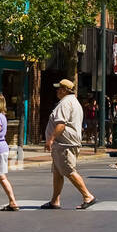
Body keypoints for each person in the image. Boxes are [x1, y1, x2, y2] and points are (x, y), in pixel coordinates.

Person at [42, 78, 95, 209]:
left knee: (69, 171)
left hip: (64, 144)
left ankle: (88, 196)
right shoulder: (73, 102)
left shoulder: (65, 103)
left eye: (59, 88)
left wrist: (51, 139)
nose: (57, 91)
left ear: (64, 90)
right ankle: (55, 200)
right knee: (58, 173)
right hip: (64, 144)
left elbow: (61, 124)